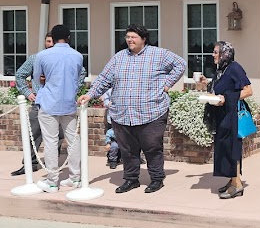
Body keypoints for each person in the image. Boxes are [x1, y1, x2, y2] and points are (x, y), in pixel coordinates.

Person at [78, 24, 186, 194]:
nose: (129, 40)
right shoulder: (119, 58)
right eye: (128, 37)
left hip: (152, 111)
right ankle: (131, 179)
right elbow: (104, 79)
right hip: (122, 113)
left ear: (143, 39)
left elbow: (181, 64)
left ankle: (157, 179)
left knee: (152, 147)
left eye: (133, 37)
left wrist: (166, 85)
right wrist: (90, 95)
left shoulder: (158, 54)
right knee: (127, 149)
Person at [31, 24, 83, 192]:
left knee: (51, 142)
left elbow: (37, 79)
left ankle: (52, 181)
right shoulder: (77, 55)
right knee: (74, 141)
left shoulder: (43, 55)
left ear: (52, 38)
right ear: (69, 37)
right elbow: (77, 77)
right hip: (69, 102)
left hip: (49, 102)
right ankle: (75, 178)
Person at [202, 41, 252, 200]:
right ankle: (232, 180)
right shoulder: (221, 70)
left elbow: (248, 90)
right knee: (224, 147)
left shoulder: (235, 68)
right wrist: (206, 84)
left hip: (232, 115)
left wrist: (226, 98)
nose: (213, 55)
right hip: (222, 115)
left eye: (216, 52)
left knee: (232, 149)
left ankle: (237, 185)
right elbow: (221, 88)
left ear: (225, 54)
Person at [11, 33, 55, 176]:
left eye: (53, 41)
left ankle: (53, 167)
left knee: (57, 137)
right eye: (48, 41)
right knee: (32, 135)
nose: (50, 44)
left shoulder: (61, 59)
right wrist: (28, 93)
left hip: (56, 103)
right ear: (45, 42)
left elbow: (81, 73)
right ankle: (29, 164)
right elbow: (20, 75)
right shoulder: (35, 58)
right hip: (38, 103)